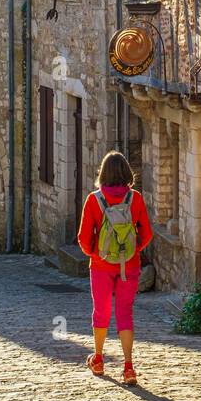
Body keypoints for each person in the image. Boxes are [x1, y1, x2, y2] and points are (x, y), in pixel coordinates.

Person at [78, 150, 152, 385]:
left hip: (100, 266)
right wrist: (132, 251)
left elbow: (83, 238)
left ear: (103, 173)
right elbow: (147, 234)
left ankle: (98, 358)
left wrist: (97, 254)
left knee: (101, 311)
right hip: (128, 266)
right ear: (127, 173)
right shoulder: (136, 199)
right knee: (125, 313)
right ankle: (129, 367)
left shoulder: (94, 199)